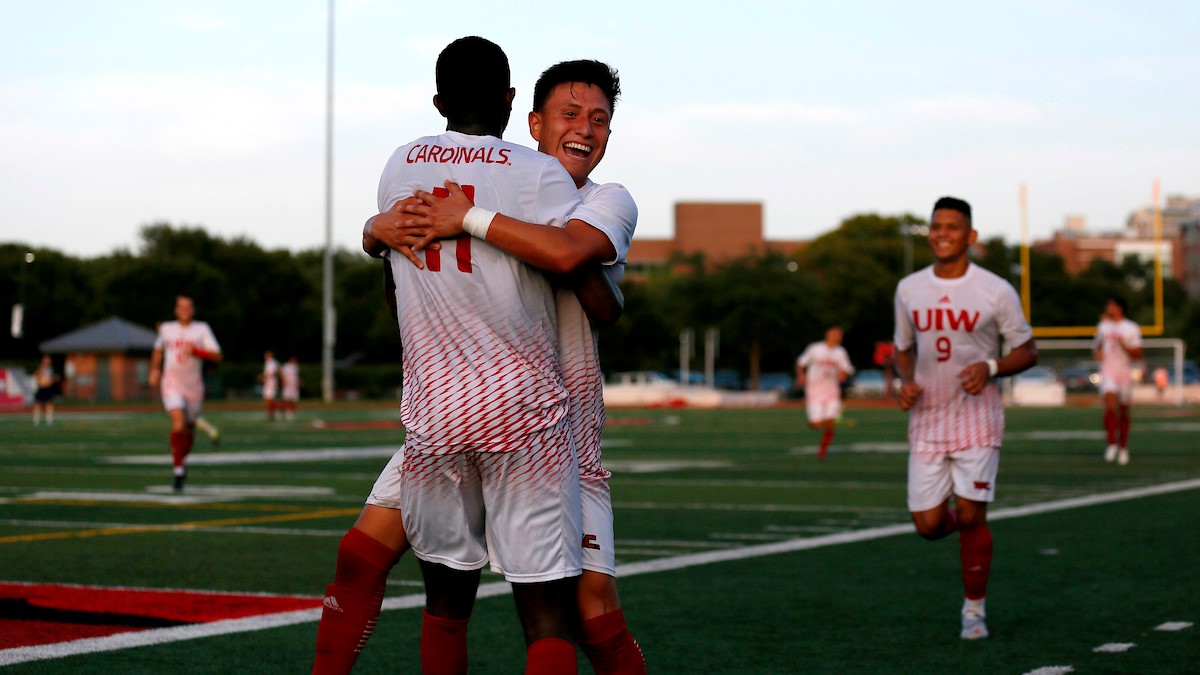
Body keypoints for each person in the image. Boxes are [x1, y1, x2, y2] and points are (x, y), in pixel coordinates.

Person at [314, 37, 584, 675]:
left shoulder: (401, 163)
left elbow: (392, 273)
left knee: (445, 601)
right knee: (546, 607)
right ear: (514, 101)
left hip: (436, 409)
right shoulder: (538, 172)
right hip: (524, 406)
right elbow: (581, 275)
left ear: (437, 101)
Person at [378, 59, 645, 673]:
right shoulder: (522, 181)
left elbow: (599, 296)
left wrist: (472, 221)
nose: (585, 128)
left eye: (600, 119)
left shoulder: (606, 198)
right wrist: (375, 230)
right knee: (369, 557)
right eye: (570, 114)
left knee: (588, 607)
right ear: (529, 119)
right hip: (469, 409)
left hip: (561, 432)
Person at [892, 197, 1037, 640]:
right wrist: (905, 382)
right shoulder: (909, 288)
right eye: (936, 226)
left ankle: (974, 609)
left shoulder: (995, 289)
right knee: (929, 526)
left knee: (974, 516)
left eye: (952, 227)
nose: (941, 233)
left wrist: (990, 367)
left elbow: (1028, 350)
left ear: (970, 237)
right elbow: (902, 349)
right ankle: (958, 519)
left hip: (977, 417)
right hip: (928, 416)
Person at [148, 295, 222, 492]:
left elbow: (217, 355)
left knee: (189, 431)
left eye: (188, 306)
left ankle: (181, 460)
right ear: (175, 309)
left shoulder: (202, 328)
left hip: (194, 387)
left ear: (193, 309)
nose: (185, 309)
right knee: (178, 424)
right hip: (171, 383)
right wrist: (155, 369)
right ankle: (178, 470)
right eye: (181, 306)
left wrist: (198, 351)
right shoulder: (166, 328)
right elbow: (158, 349)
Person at [1094, 296, 1142, 465]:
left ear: (1119, 308)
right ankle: (1112, 442)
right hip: (1108, 371)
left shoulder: (1131, 328)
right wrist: (1098, 352)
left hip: (1124, 373)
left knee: (1124, 410)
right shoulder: (1103, 326)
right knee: (1109, 402)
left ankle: (1123, 446)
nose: (1108, 307)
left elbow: (1137, 354)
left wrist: (1123, 344)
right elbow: (1097, 347)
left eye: (1111, 304)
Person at [795, 326, 854, 460]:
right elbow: (800, 363)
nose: (838, 337)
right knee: (817, 424)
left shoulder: (841, 352)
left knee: (830, 422)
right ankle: (812, 421)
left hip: (832, 391)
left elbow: (846, 369)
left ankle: (823, 450)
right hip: (814, 390)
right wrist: (800, 375)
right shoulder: (815, 349)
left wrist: (843, 374)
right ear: (827, 335)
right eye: (835, 334)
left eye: (840, 335)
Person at [32, 355, 61, 426]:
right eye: (47, 359)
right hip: (41, 388)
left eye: (48, 359)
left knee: (49, 404)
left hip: (48, 388)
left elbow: (53, 378)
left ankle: (49, 420)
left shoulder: (51, 369)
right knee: (37, 404)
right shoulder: (41, 367)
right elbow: (37, 375)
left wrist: (54, 379)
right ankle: (36, 420)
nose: (48, 361)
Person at [259, 350, 280, 421]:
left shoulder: (271, 362)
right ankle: (271, 412)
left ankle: (273, 413)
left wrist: (262, 376)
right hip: (269, 382)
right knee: (267, 398)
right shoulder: (270, 362)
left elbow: (271, 373)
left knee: (269, 398)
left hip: (270, 382)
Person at [280, 356, 302, 421]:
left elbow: (296, 376)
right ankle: (285, 411)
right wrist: (283, 380)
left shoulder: (296, 367)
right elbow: (282, 373)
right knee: (286, 398)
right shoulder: (286, 366)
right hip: (288, 385)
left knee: (294, 399)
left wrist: (299, 381)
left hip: (294, 386)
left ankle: (291, 412)